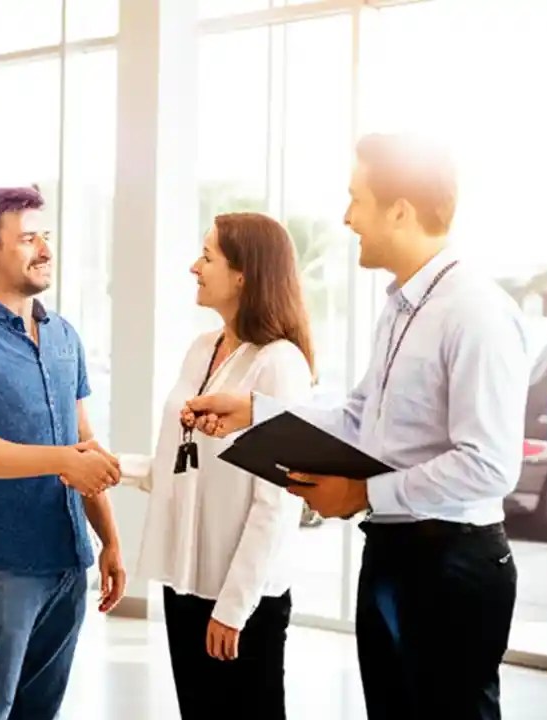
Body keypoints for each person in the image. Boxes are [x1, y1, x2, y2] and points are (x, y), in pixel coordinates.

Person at [187, 133, 528, 720]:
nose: (347, 218)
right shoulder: (400, 309)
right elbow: (358, 417)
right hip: (394, 553)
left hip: (453, 566)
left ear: (399, 210)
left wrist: (364, 493)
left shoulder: (474, 311)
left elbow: (489, 464)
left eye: (357, 200)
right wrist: (256, 410)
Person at [0, 186, 126, 720]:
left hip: (66, 556)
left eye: (48, 237)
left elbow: (84, 446)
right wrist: (62, 460)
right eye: (29, 239)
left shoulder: (64, 337)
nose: (45, 250)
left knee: (41, 710)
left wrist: (109, 539)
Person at [119, 212, 314, 720]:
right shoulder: (203, 348)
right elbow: (182, 465)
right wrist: (113, 466)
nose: (193, 267)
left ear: (244, 273)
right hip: (186, 584)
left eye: (207, 257)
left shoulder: (279, 363)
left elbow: (276, 503)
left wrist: (233, 609)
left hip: (241, 598)